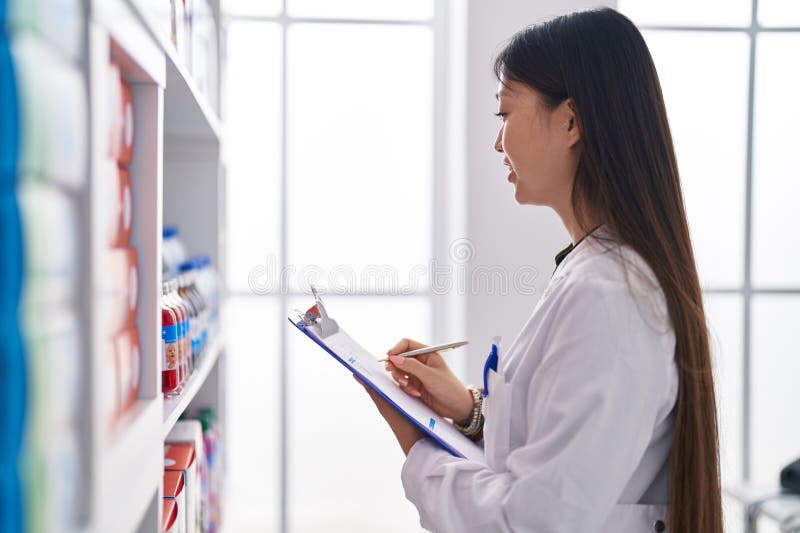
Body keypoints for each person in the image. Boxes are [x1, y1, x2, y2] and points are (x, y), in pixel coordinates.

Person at [355, 7, 723, 533]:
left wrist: (420, 450)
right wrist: (470, 413)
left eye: (504, 115)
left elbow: (536, 522)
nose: (496, 142)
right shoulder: (598, 271)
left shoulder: (610, 294)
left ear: (571, 121)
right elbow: (556, 449)